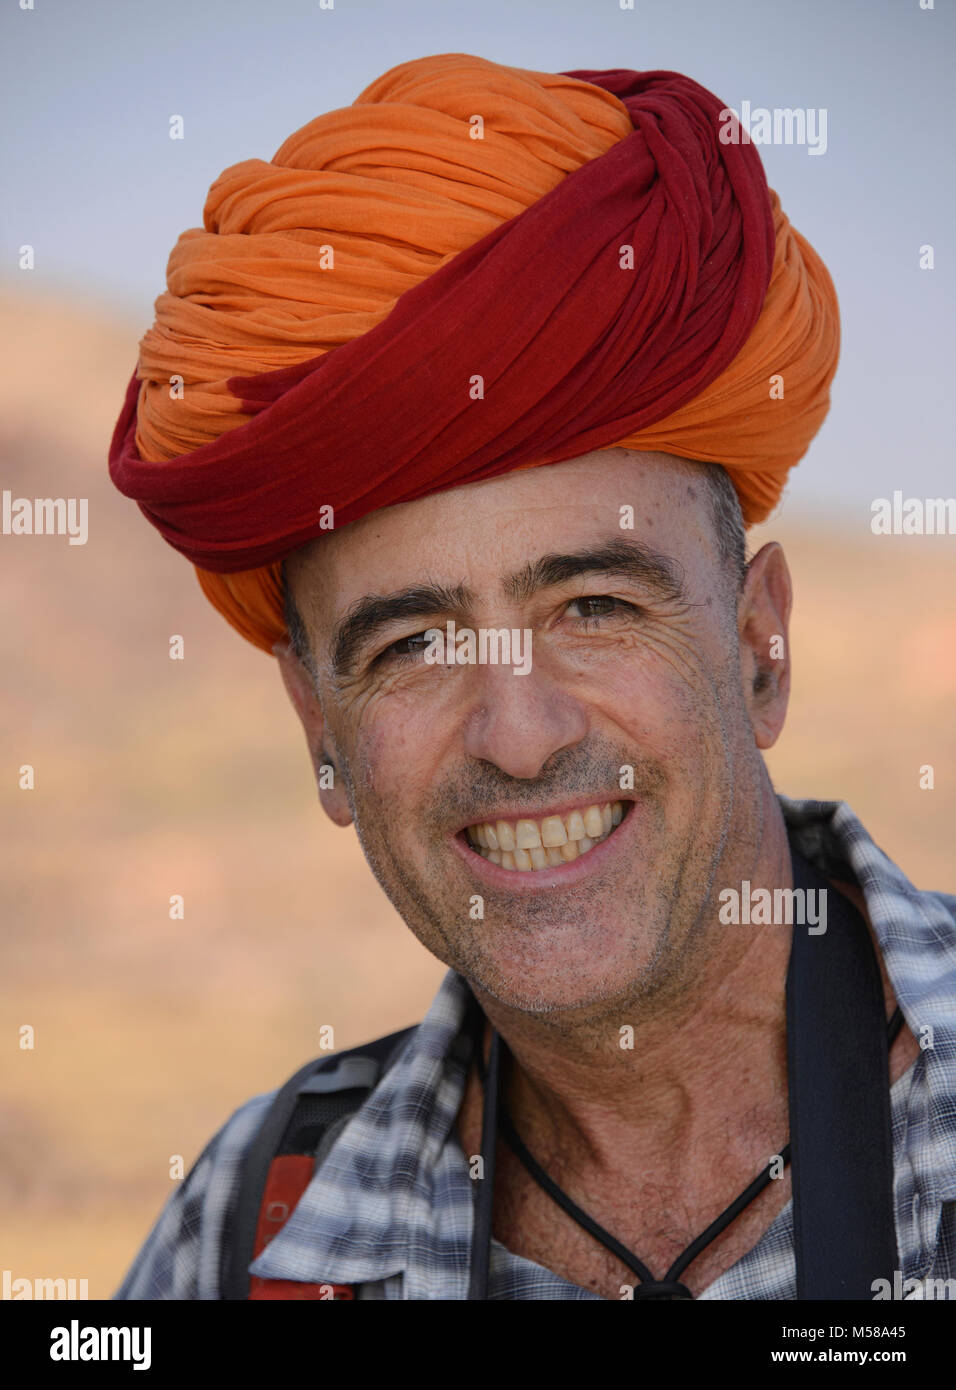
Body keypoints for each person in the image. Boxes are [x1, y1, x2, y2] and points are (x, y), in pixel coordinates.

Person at [108, 53, 955, 1301]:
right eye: (411, 647)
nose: (516, 733)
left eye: (594, 606)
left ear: (757, 646)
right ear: (318, 729)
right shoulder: (248, 1226)